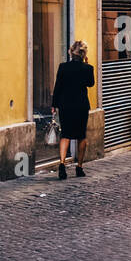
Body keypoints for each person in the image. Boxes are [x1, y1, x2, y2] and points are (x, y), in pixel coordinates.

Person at [52, 40, 94, 180]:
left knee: (66, 134)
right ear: (84, 54)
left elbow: (58, 86)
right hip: (81, 105)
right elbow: (91, 83)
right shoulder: (88, 68)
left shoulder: (63, 67)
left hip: (65, 105)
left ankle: (62, 164)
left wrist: (54, 104)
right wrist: (86, 64)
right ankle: (79, 167)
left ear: (71, 52)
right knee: (81, 136)